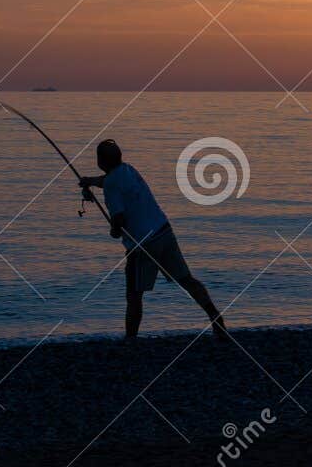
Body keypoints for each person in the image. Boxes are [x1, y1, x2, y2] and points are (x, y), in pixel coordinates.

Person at [80, 139, 228, 341]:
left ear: (100, 161)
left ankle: (130, 340)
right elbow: (109, 180)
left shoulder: (112, 185)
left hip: (143, 244)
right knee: (186, 279)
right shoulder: (129, 170)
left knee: (134, 295)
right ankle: (215, 316)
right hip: (164, 231)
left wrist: (114, 232)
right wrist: (90, 181)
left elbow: (119, 218)